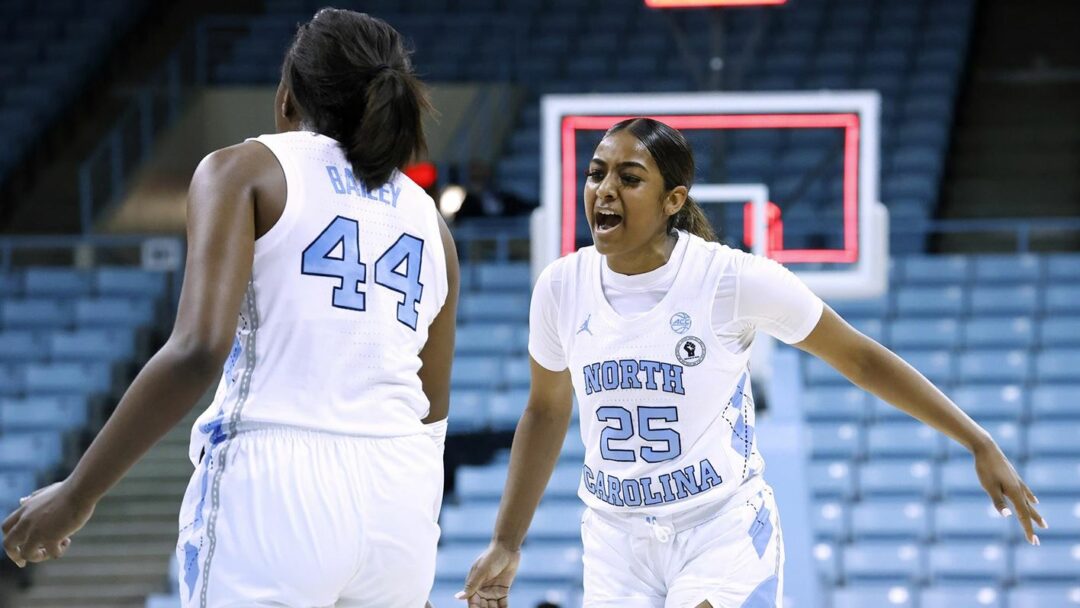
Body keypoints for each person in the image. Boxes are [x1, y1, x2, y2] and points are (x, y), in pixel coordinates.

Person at [457, 118, 1045, 607]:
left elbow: (861, 359)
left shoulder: (731, 280)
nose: (604, 190)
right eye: (596, 173)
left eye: (629, 178)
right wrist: (507, 540)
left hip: (720, 529)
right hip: (613, 538)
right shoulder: (561, 286)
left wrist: (977, 440)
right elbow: (545, 409)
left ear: (673, 200)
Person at [2, 9, 458, 607]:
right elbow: (430, 415)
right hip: (402, 494)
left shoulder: (244, 168)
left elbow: (197, 350)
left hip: (280, 483)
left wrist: (77, 494)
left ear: (287, 98)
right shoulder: (432, 223)